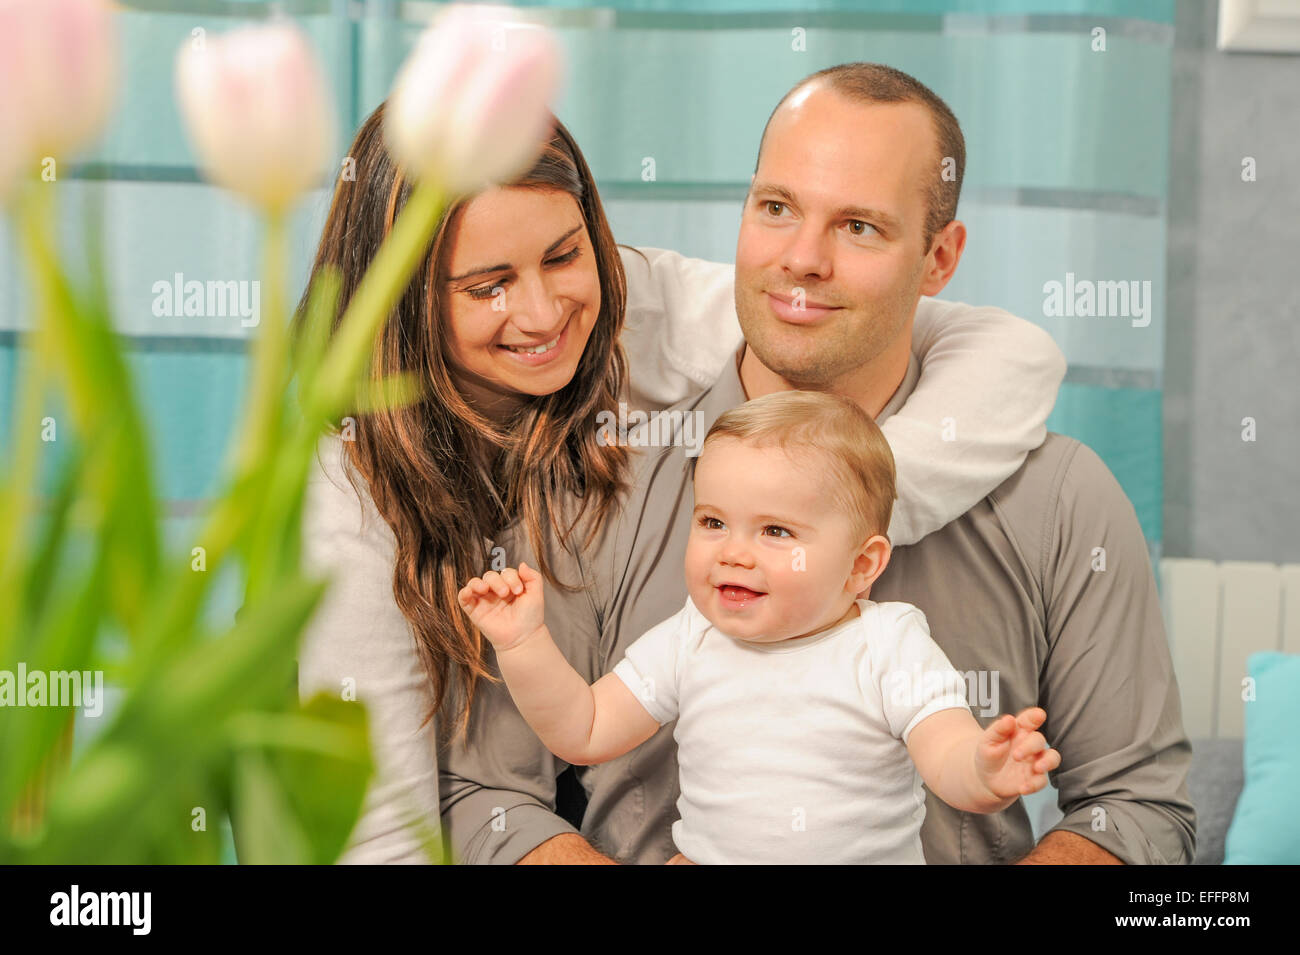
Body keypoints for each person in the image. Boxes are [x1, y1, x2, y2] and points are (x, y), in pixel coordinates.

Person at [437, 63, 1196, 865]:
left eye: (859, 226)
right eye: (776, 208)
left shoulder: (1063, 500)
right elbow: (487, 796)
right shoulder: (597, 477)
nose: (802, 259)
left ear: (940, 259)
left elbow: (1137, 806)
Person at [295, 86, 1067, 864]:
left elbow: (1004, 352)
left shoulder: (630, 312)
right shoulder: (350, 493)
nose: (541, 314)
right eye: (487, 285)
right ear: (399, 301)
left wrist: (838, 510)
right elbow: (378, 828)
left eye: (565, 255)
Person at [456, 390, 1062, 864]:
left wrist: (984, 773)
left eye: (775, 532)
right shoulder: (692, 637)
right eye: (714, 521)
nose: (732, 554)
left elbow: (945, 753)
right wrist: (524, 642)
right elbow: (583, 730)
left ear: (861, 565)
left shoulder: (887, 645)